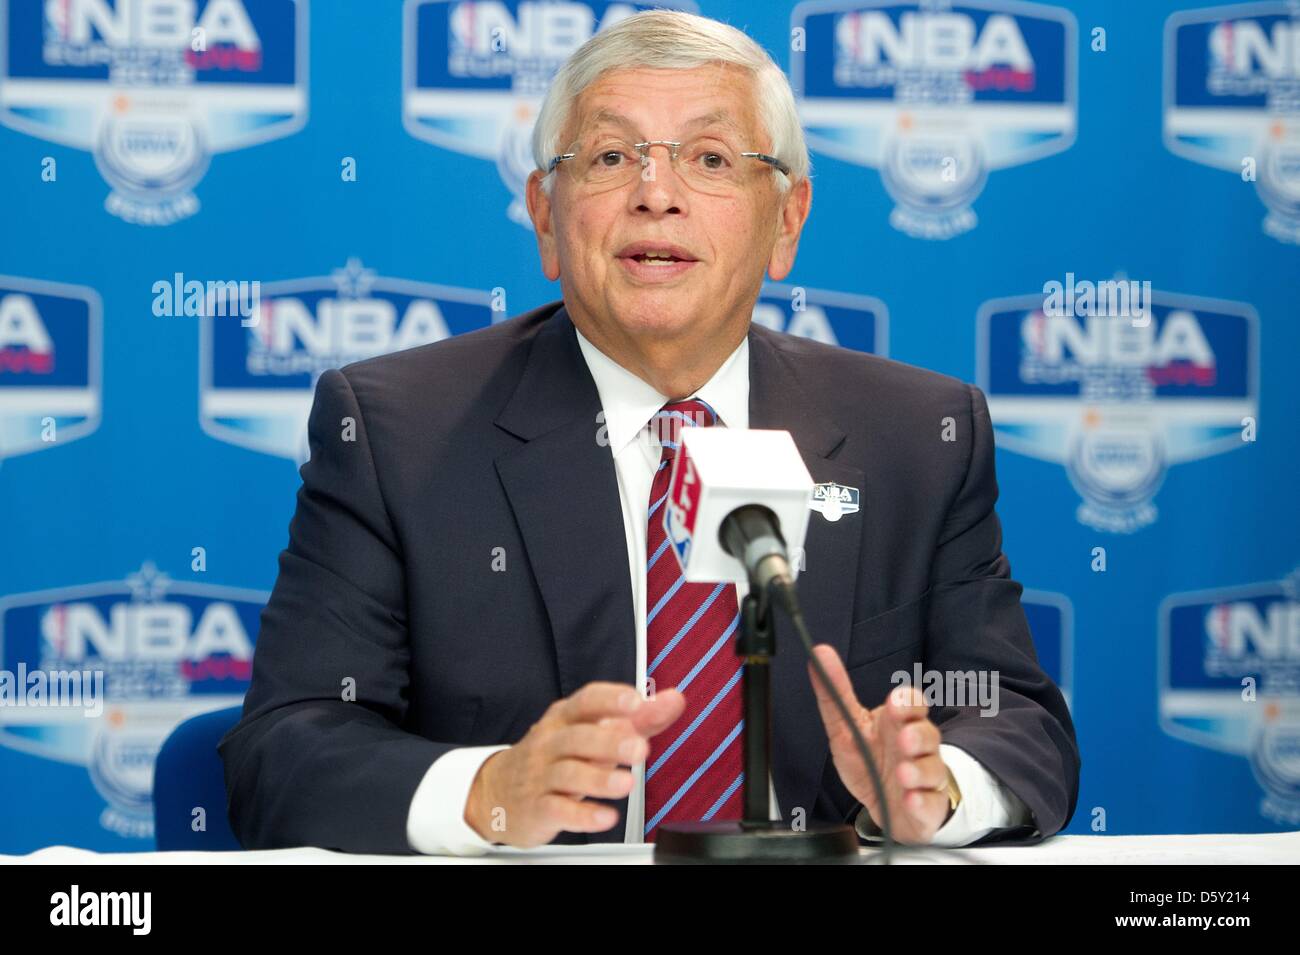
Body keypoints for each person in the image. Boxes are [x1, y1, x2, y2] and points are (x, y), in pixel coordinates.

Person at [220, 10, 1079, 855]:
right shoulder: (398, 435)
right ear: (547, 217)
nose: (656, 194)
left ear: (786, 220)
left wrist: (939, 785)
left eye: (709, 159)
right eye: (609, 157)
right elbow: (284, 749)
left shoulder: (915, 438)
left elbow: (1018, 717)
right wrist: (488, 792)